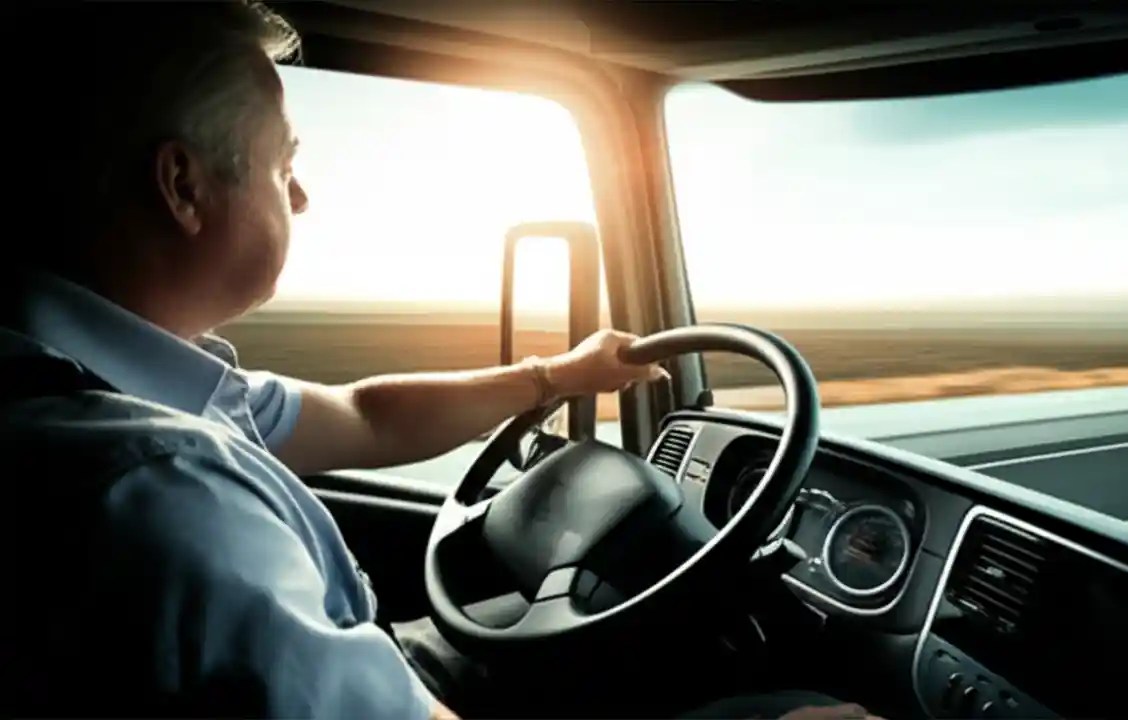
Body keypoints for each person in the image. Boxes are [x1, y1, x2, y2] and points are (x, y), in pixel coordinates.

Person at [1, 3, 877, 719]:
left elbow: (364, 414)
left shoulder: (107, 384)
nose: (299, 197)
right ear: (183, 186)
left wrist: (554, 378)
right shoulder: (164, 491)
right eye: (281, 165)